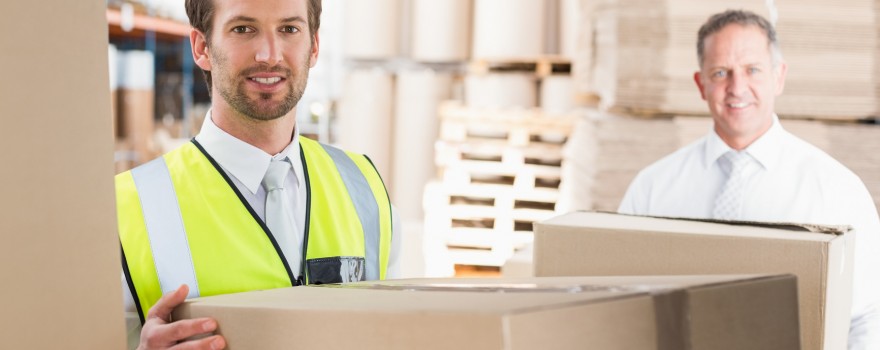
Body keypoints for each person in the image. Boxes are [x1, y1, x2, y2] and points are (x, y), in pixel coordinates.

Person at [116, 0, 401, 349]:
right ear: (202, 47)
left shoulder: (364, 185)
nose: (269, 54)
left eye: (289, 29)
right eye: (243, 29)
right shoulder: (127, 207)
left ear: (313, 46)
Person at [618, 9, 879, 348]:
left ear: (779, 77)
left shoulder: (836, 189)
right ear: (701, 84)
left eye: (752, 70)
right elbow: (621, 302)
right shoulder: (652, 187)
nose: (736, 88)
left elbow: (869, 316)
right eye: (721, 72)